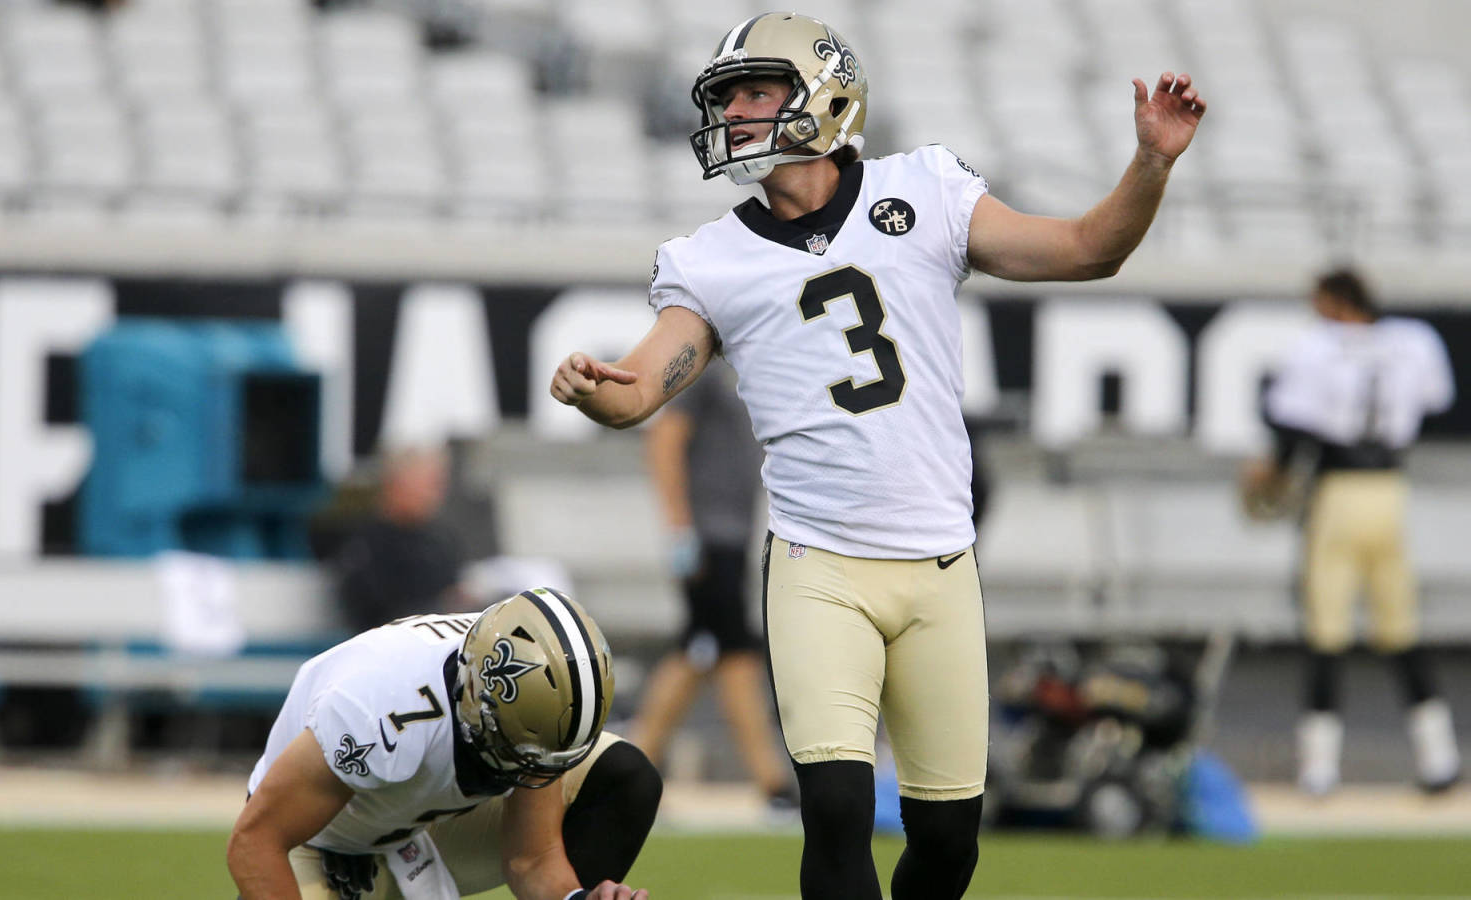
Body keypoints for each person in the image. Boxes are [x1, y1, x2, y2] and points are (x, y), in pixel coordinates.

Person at [548, 13, 1204, 900]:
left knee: (948, 844)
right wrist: (593, 388)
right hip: (818, 566)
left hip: (939, 564)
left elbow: (1090, 250)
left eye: (755, 92)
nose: (733, 113)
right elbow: (636, 392)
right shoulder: (710, 260)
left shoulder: (924, 189)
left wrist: (1151, 163)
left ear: (825, 95)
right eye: (726, 98)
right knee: (836, 808)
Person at [228, 587, 660, 900]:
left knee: (624, 775)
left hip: (416, 820)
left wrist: (577, 899)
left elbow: (532, 859)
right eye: (519, 749)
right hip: (322, 841)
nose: (530, 773)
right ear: (476, 697)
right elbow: (255, 842)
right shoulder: (378, 709)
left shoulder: (525, 702)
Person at [1241, 268, 1460, 796]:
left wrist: (1273, 473)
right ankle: (1439, 758)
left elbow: (1291, 429)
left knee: (1326, 635)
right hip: (1389, 492)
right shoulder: (1413, 341)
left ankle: (1319, 768)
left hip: (1338, 493)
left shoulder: (1317, 348)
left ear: (1338, 302)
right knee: (1401, 632)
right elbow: (1436, 407)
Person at [631, 359, 794, 809]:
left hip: (728, 537)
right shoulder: (702, 370)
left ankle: (632, 768)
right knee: (733, 651)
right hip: (708, 537)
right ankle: (773, 784)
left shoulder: (741, 365)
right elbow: (664, 438)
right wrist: (680, 528)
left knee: (700, 650)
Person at [328, 444, 470, 633]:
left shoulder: (442, 539)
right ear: (396, 483)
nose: (437, 493)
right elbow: (375, 614)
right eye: (429, 482)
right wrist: (443, 605)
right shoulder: (365, 545)